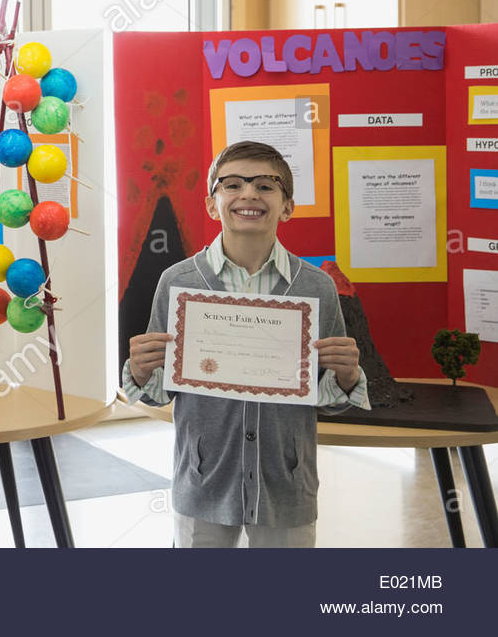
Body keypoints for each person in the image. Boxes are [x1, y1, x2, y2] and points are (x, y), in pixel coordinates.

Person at [124, 140, 370, 547]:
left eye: (266, 185)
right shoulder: (178, 282)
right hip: (203, 480)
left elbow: (327, 398)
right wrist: (139, 370)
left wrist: (345, 377)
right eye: (233, 184)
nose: (249, 194)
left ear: (287, 206)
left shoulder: (316, 287)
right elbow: (157, 393)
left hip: (287, 483)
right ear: (211, 203)